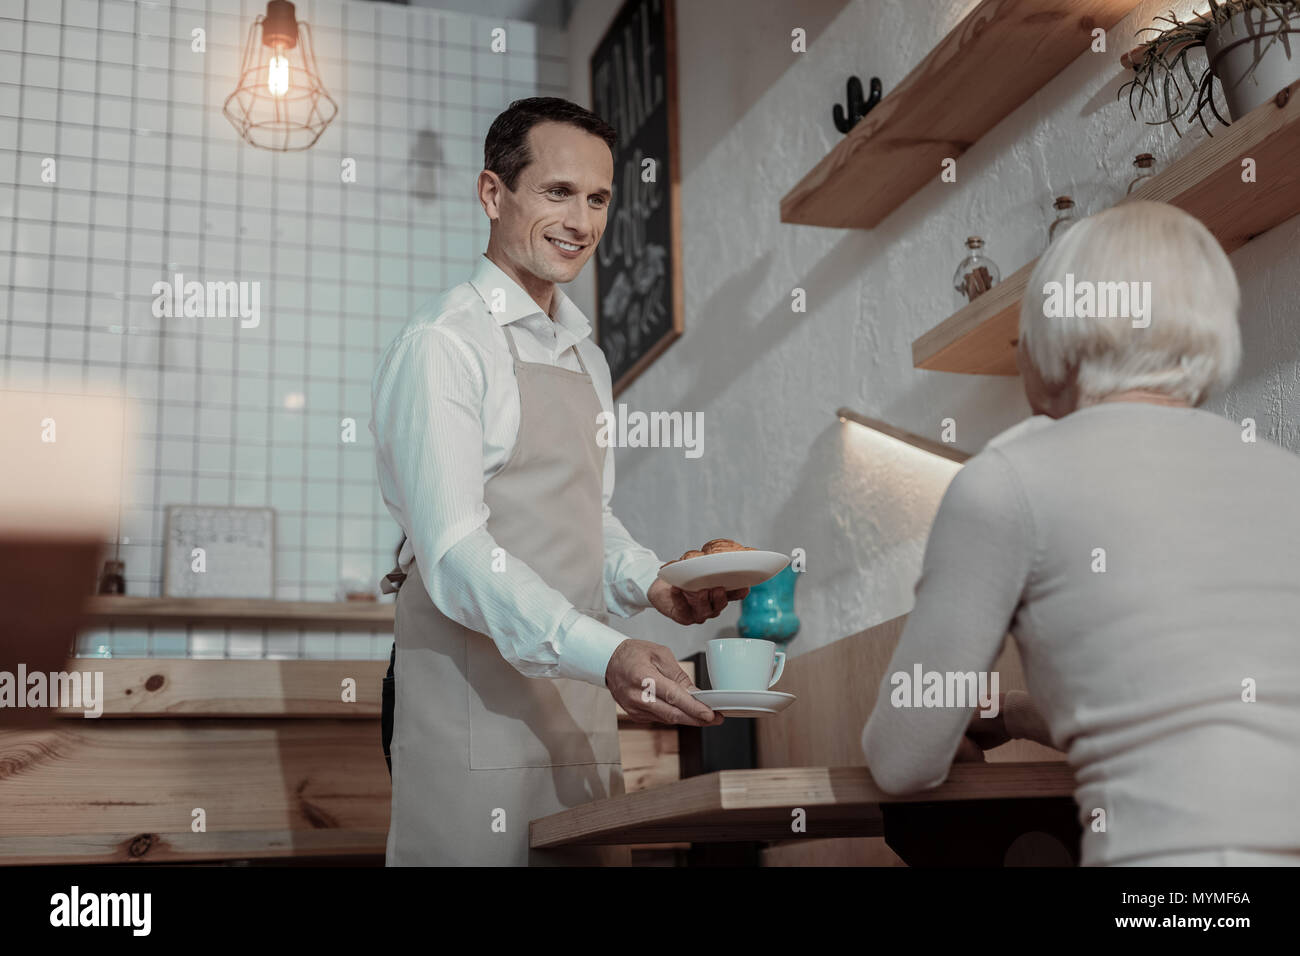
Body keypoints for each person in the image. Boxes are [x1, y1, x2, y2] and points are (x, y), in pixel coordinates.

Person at [862, 201, 1300, 866]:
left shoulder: (1009, 479)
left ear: (1052, 337)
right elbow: (1183, 717)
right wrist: (1010, 713)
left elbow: (902, 759)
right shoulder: (1283, 474)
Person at [370, 97, 746, 866]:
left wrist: (658, 586)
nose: (582, 220)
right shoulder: (444, 344)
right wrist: (607, 652)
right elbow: (454, 551)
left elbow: (588, 520)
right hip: (473, 703)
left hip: (575, 699)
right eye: (557, 192)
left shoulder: (587, 357)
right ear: (492, 193)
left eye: (599, 198)